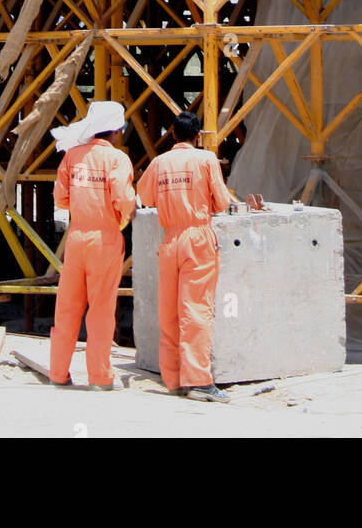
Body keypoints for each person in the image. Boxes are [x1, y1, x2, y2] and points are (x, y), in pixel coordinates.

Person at [136, 110, 232, 402]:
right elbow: (222, 202)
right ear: (198, 135)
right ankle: (199, 381)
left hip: (170, 239)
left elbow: (145, 198)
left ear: (173, 135)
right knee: (196, 310)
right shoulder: (205, 160)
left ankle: (174, 379)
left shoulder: (159, 162)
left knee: (169, 311)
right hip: (198, 237)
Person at [49, 100, 136, 390]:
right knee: (100, 310)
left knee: (67, 307)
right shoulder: (117, 160)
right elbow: (124, 200)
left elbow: (60, 197)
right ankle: (99, 377)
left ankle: (58, 374)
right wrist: (121, 218)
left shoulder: (73, 155)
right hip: (105, 239)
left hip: (76, 238)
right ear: (118, 130)